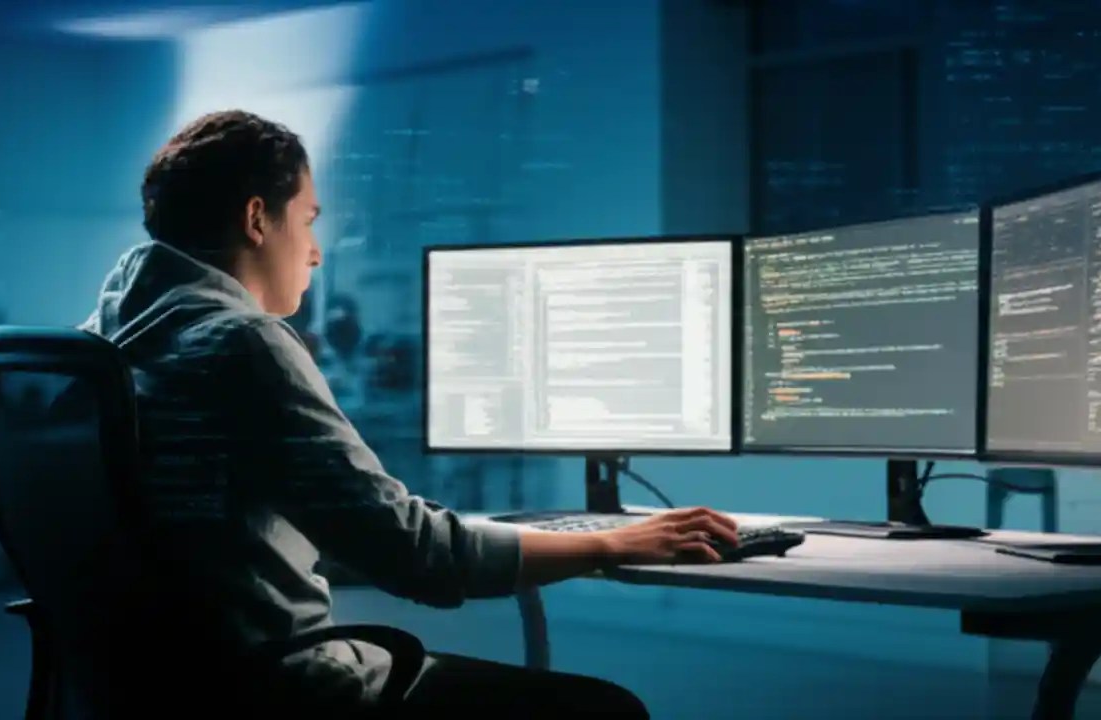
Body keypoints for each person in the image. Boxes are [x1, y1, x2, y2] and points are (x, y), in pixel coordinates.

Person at [79, 109, 740, 717]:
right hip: (270, 685)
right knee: (603, 711)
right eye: (308, 220)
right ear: (258, 220)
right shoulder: (240, 342)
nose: (313, 251)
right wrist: (608, 544)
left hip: (133, 681)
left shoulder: (91, 345)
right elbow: (414, 554)